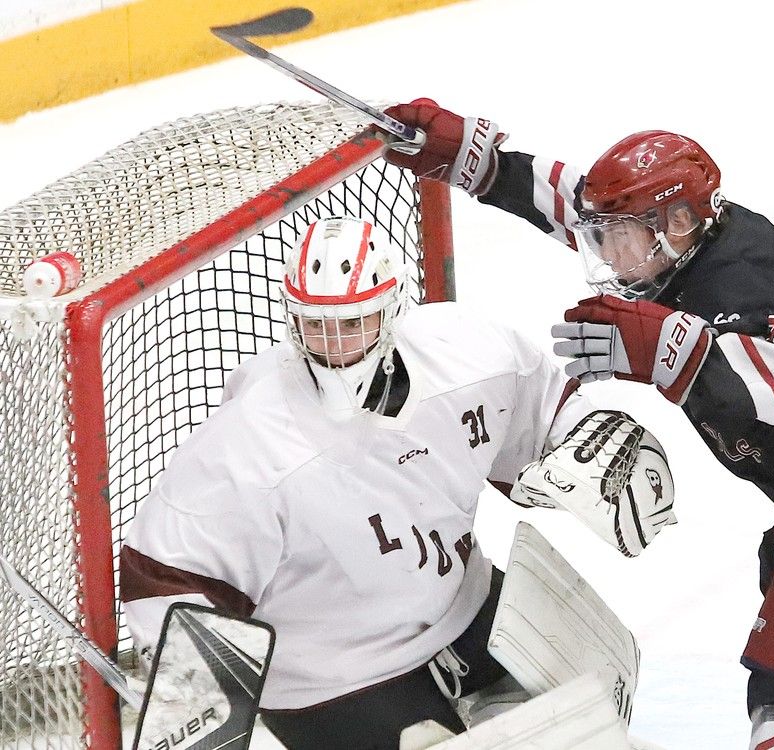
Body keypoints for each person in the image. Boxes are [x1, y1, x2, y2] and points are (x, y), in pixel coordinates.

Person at [381, 100, 774, 750]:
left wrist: (673, 349)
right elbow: (586, 208)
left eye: (623, 232)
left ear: (677, 221)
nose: (607, 249)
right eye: (607, 231)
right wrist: (478, 163)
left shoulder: (744, 279)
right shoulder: (691, 240)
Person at [120, 215, 676, 750]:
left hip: (466, 606)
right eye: (317, 325)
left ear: (391, 311)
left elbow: (543, 405)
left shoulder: (465, 353)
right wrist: (187, 689)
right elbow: (168, 574)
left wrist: (588, 441)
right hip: (336, 678)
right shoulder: (249, 446)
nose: (335, 347)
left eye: (353, 323)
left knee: (591, 721)